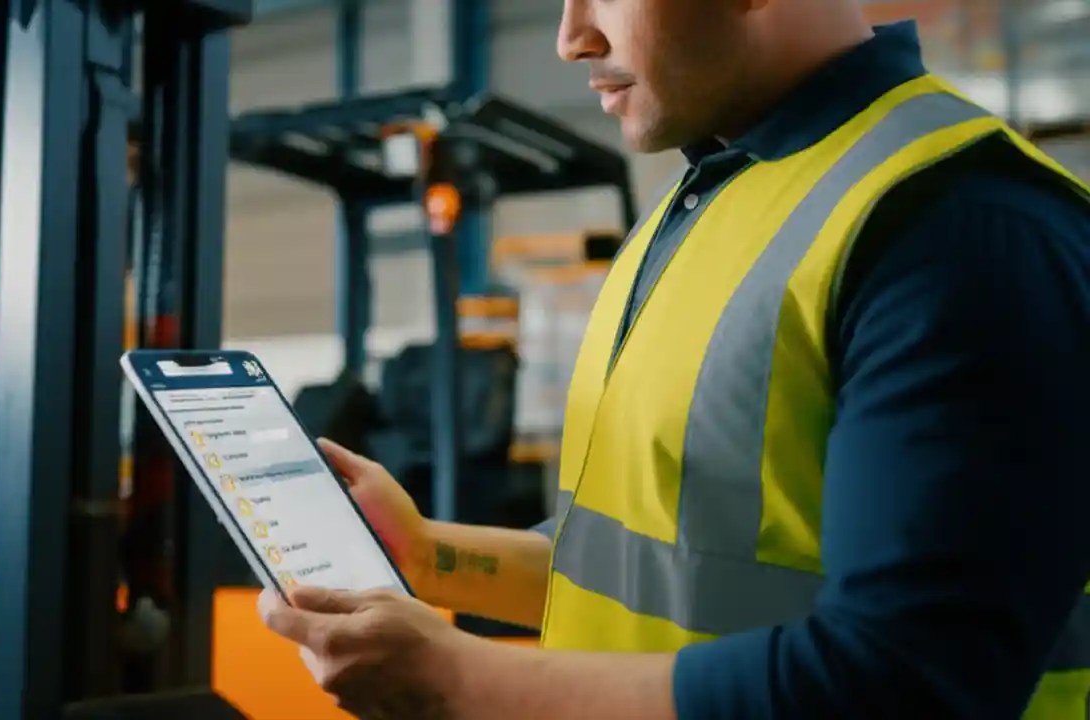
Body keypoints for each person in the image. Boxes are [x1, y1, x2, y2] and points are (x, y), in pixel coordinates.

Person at [259, 1, 1090, 717]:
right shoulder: (705, 202)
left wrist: (460, 683)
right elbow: (656, 572)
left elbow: (903, 682)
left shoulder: (963, 229)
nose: (571, 37)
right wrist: (430, 556)